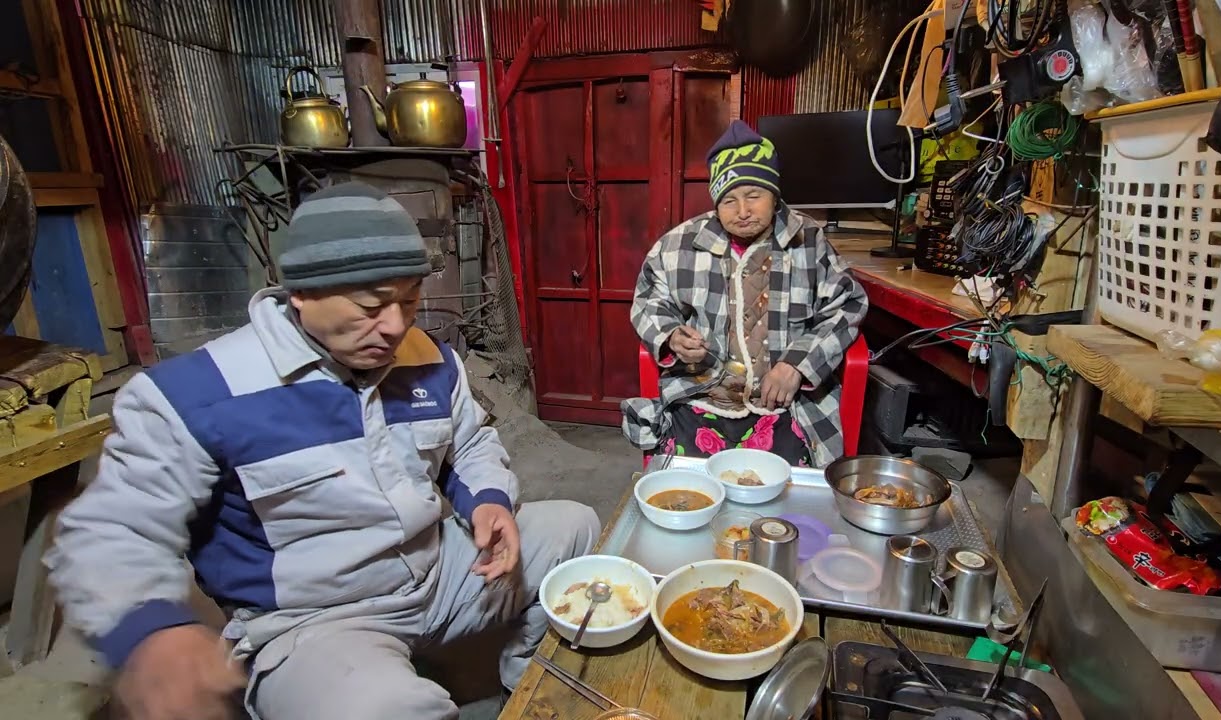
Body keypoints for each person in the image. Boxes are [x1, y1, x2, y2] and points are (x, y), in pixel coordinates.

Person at [45, 182, 600, 720]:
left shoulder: (428, 357)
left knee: (574, 530)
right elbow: (110, 530)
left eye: (409, 300)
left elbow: (470, 441)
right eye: (370, 306)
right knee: (391, 710)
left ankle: (528, 694)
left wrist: (489, 500)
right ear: (301, 293)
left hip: (437, 576)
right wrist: (150, 632)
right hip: (317, 621)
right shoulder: (199, 395)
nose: (394, 326)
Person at [623, 120, 868, 468]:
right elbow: (649, 299)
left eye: (754, 196)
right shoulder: (680, 245)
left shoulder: (808, 241)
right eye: (729, 200)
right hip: (700, 394)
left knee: (786, 488)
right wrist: (671, 335)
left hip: (786, 404)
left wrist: (797, 365)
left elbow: (847, 306)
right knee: (686, 484)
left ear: (774, 195)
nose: (742, 212)